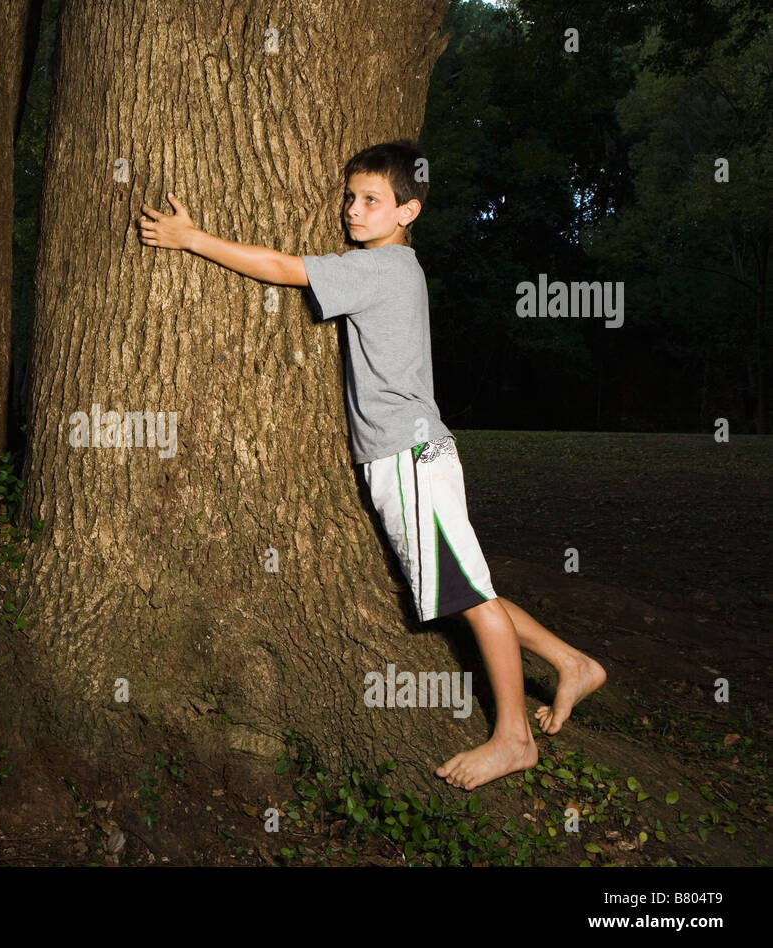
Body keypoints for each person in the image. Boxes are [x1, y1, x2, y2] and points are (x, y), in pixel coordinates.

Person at [135, 140, 605, 789]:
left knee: (466, 597)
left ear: (407, 211)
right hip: (412, 457)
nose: (353, 211)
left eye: (371, 201)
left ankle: (514, 737)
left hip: (410, 462)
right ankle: (568, 661)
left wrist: (191, 238)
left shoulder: (380, 268)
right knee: (463, 589)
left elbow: (279, 265)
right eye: (350, 197)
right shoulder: (397, 266)